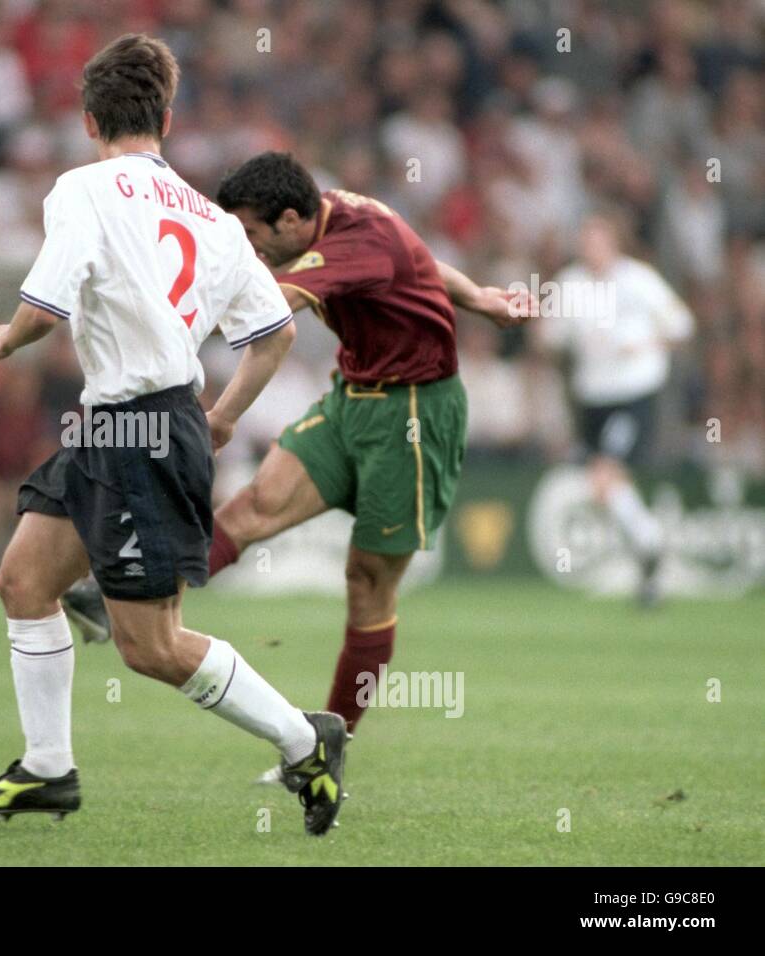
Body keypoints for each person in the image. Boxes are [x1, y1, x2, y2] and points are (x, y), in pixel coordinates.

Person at [0, 36, 346, 837]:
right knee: (25, 582)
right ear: (165, 117)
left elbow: (47, 305)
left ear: (88, 118)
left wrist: (5, 339)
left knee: (151, 647)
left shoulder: (83, 188)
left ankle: (308, 740)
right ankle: (47, 770)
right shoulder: (212, 217)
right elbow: (273, 335)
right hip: (126, 422)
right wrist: (227, 414)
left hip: (142, 429)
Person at [62, 151, 533, 757]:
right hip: (351, 398)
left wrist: (166, 334)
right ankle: (121, 598)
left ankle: (329, 742)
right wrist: (481, 299)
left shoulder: (346, 244)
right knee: (252, 507)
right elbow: (421, 263)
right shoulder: (337, 211)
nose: (251, 250)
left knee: (367, 583)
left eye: (254, 236)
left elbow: (274, 305)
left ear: (289, 221)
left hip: (416, 416)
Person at [537, 209, 693, 605]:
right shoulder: (570, 284)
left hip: (634, 392)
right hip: (592, 397)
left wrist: (642, 345)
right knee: (608, 483)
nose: (590, 249)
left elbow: (681, 324)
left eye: (597, 240)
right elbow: (549, 337)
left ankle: (650, 544)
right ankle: (649, 551)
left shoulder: (638, 280)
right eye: (585, 241)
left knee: (604, 475)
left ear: (614, 243)